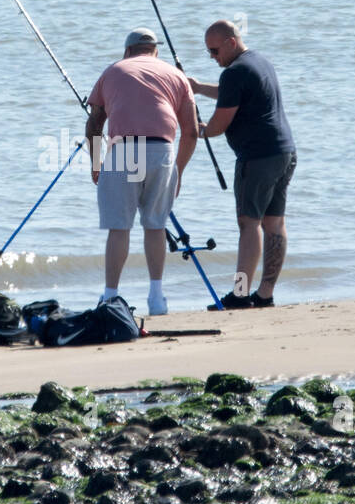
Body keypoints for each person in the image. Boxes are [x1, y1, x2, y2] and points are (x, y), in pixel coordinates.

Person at [85, 27, 198, 315]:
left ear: (127, 51)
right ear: (155, 51)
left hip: (122, 151)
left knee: (119, 227)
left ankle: (111, 296)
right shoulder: (176, 76)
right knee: (156, 225)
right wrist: (179, 172)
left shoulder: (113, 71)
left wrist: (96, 162)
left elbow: (95, 123)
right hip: (162, 150)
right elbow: (192, 132)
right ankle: (156, 298)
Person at [188, 19, 296, 309]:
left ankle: (239, 294)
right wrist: (198, 88)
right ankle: (265, 294)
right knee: (274, 224)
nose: (212, 57)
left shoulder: (234, 73)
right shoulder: (259, 61)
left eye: (214, 51)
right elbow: (233, 92)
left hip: (257, 158)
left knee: (248, 224)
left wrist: (197, 129)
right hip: (283, 152)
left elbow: (218, 125)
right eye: (208, 52)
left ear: (231, 43)